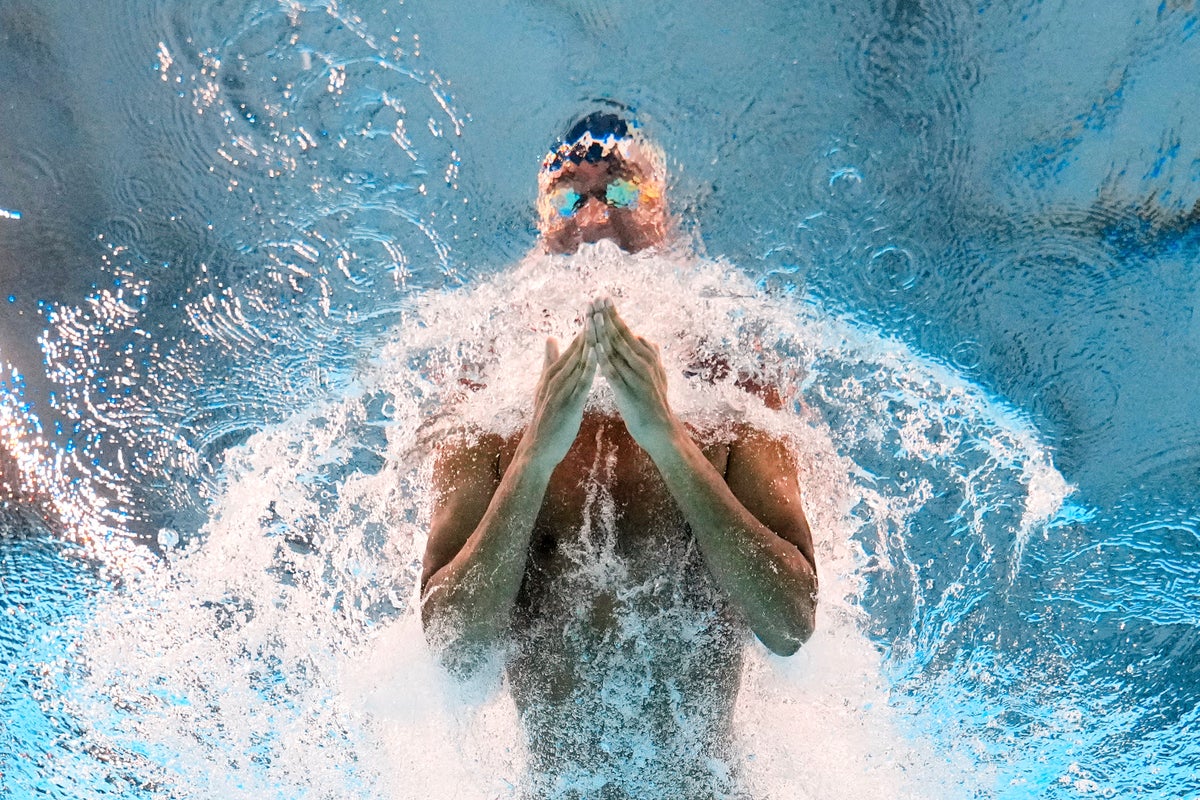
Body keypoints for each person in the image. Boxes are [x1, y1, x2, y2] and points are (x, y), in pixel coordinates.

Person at [419, 111, 818, 799]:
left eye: (625, 193)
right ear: (542, 229)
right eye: (570, 198)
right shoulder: (484, 406)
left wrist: (668, 440)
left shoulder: (735, 391)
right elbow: (454, 654)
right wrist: (534, 458)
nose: (597, 222)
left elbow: (790, 625)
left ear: (669, 220)